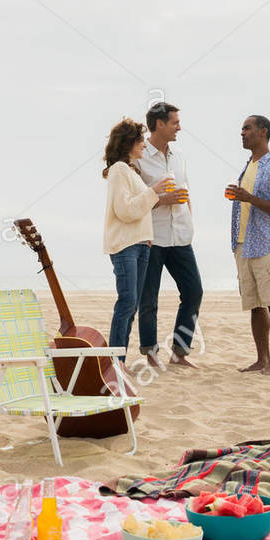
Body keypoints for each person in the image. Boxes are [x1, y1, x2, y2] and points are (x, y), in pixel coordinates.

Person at [102, 117, 181, 365]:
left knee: (131, 306)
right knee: (126, 304)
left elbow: (137, 210)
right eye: (140, 141)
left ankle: (119, 362)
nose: (144, 146)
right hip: (126, 246)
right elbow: (124, 210)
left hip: (139, 245)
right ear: (129, 143)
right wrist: (154, 191)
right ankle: (116, 363)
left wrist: (147, 237)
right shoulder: (119, 171)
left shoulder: (131, 171)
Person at [225, 114, 270, 375]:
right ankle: (261, 359)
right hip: (244, 244)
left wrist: (249, 198)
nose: (242, 133)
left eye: (247, 128)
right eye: (242, 128)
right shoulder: (249, 166)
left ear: (263, 132)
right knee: (254, 304)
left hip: (268, 245)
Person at [136, 102, 202, 369]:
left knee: (194, 291)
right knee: (148, 298)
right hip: (152, 237)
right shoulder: (138, 156)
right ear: (159, 124)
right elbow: (135, 201)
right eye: (175, 122)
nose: (179, 127)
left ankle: (179, 353)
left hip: (181, 237)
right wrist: (164, 199)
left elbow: (186, 191)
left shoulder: (179, 155)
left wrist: (189, 217)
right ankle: (151, 355)